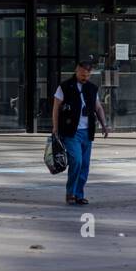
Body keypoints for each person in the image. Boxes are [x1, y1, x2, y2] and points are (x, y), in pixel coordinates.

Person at [51, 58, 110, 206]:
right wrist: (55, 128)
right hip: (71, 131)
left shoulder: (92, 88)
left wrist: (104, 125)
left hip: (87, 132)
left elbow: (98, 108)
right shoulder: (64, 87)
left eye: (87, 75)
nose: (85, 77)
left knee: (84, 164)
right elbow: (56, 109)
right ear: (76, 71)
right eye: (82, 74)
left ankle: (78, 194)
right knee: (76, 161)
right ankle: (70, 192)